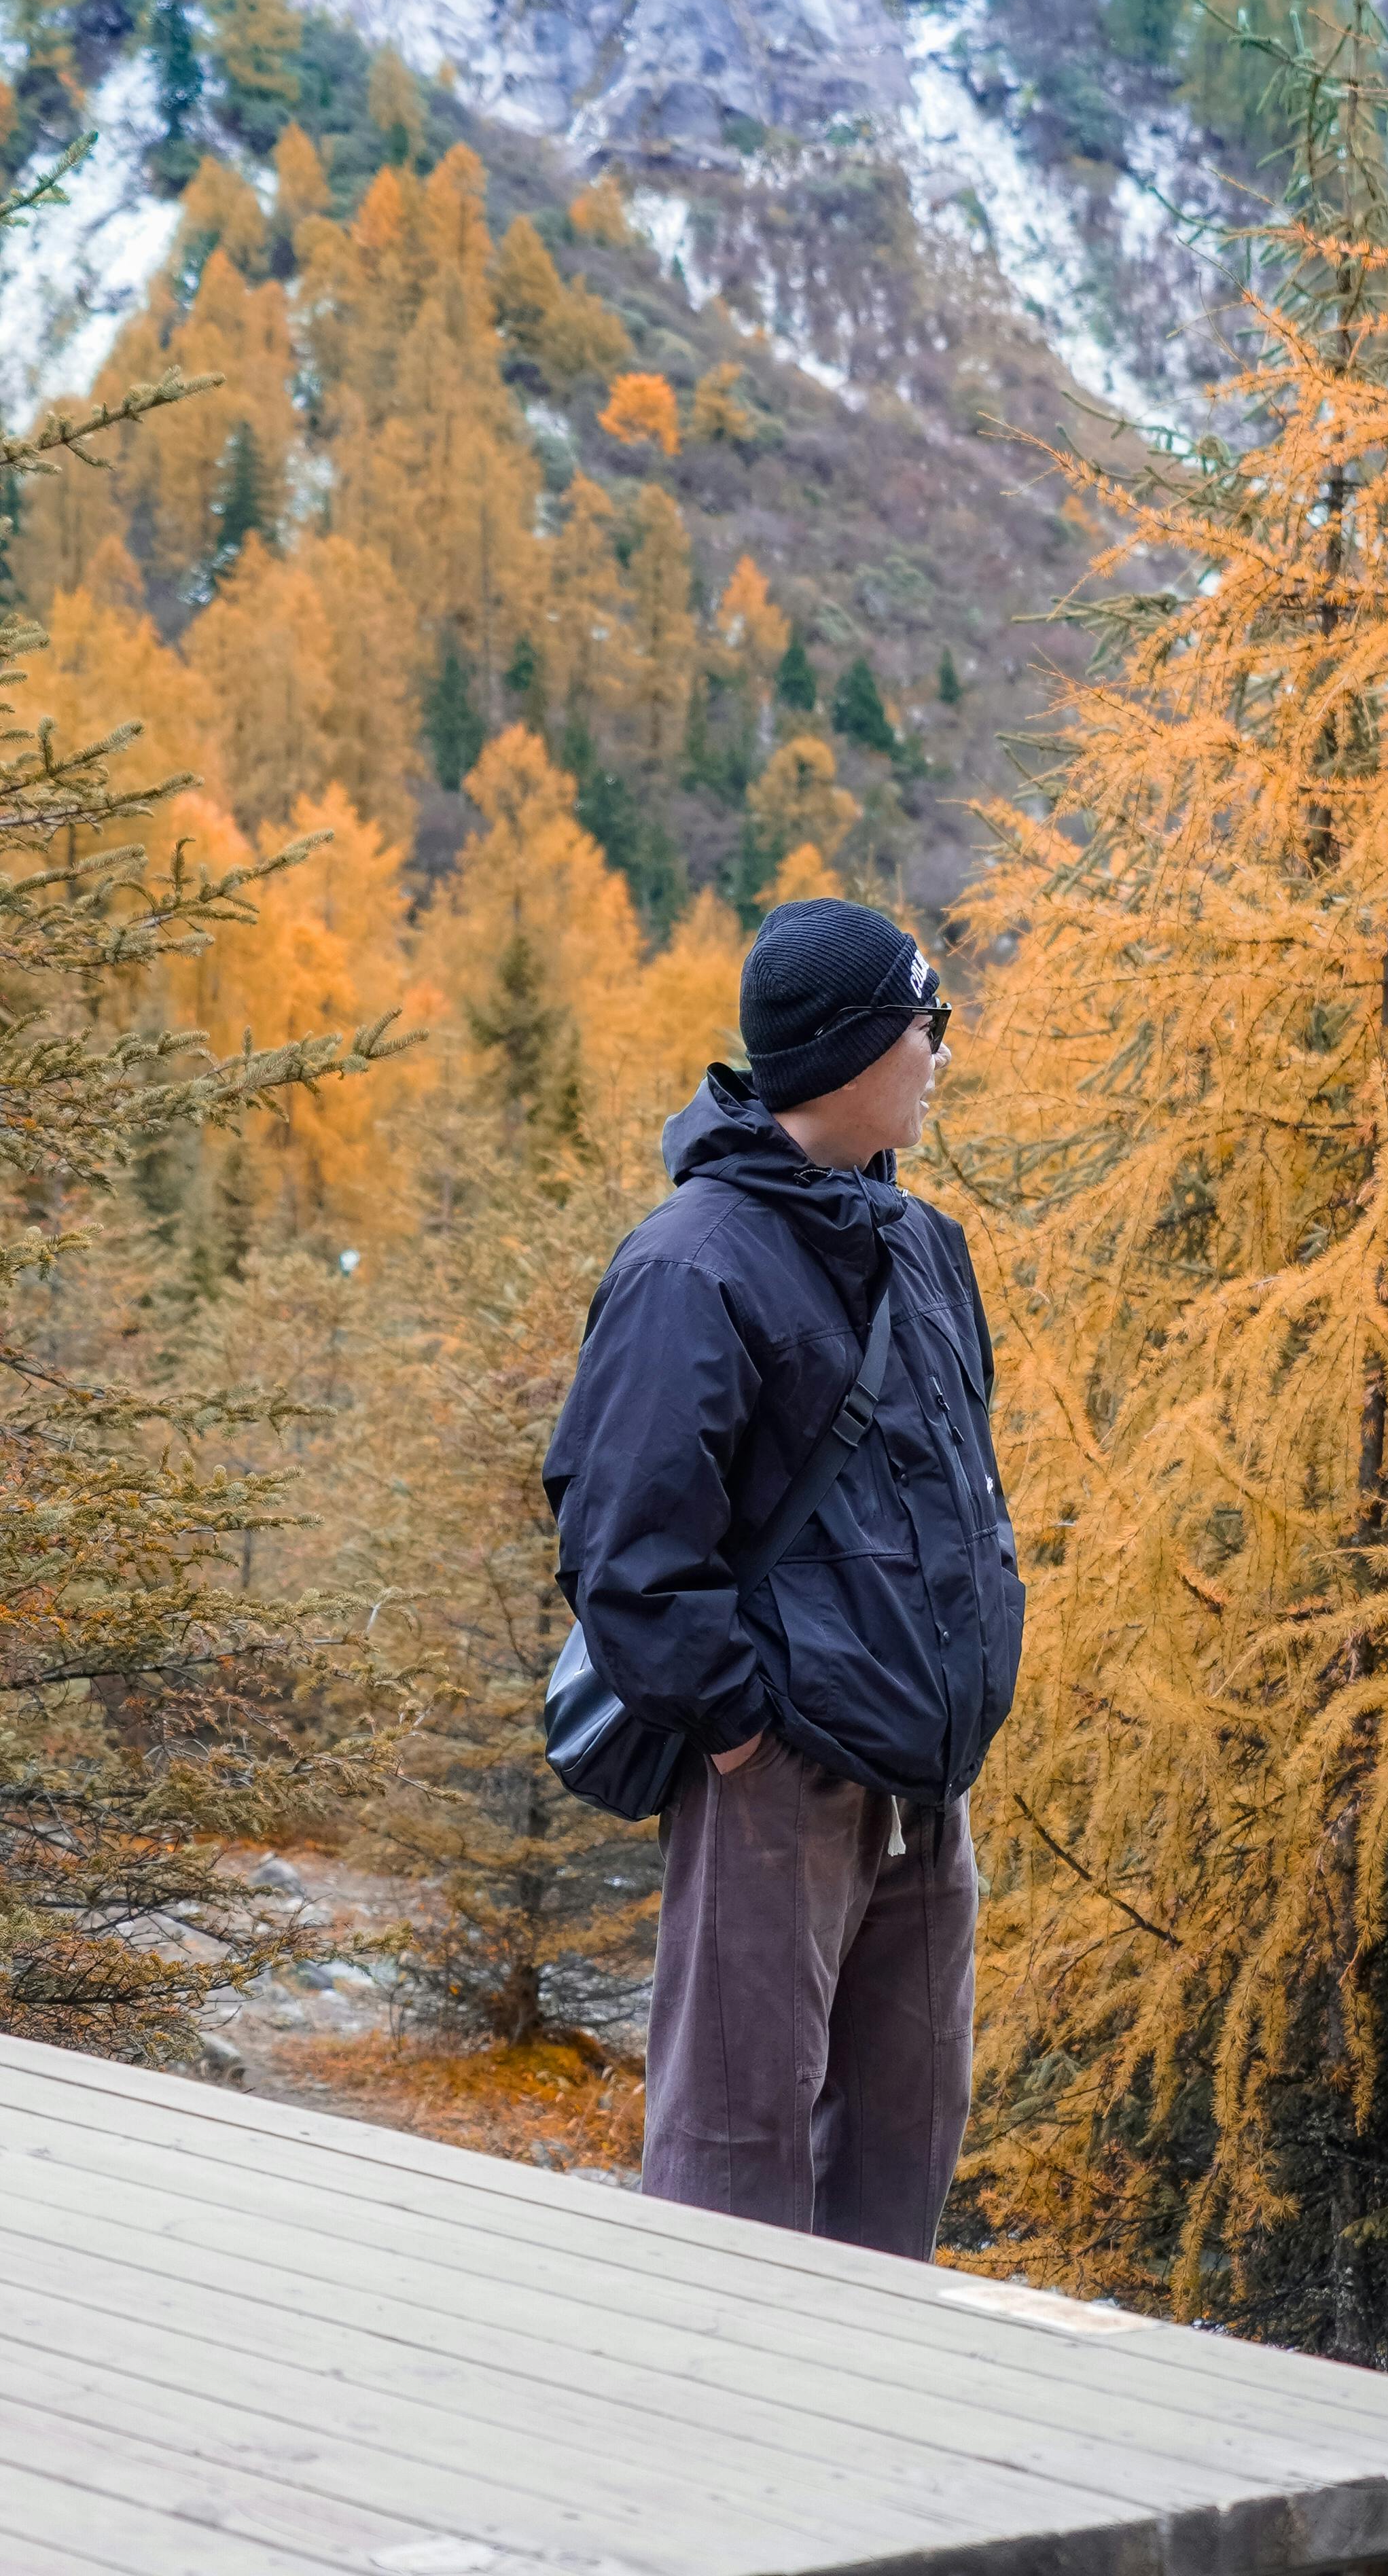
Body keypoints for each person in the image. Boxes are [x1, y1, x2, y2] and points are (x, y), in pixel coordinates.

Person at [543, 897, 1022, 2259]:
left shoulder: (925, 1244)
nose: (941, 1050)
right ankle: (707, 2392)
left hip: (926, 1784)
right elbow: (624, 1544)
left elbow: (962, 1486)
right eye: (926, 1023)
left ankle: (860, 2400)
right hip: (777, 1780)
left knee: (899, 2160)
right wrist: (743, 1736)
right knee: (734, 2166)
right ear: (855, 1049)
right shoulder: (689, 1263)